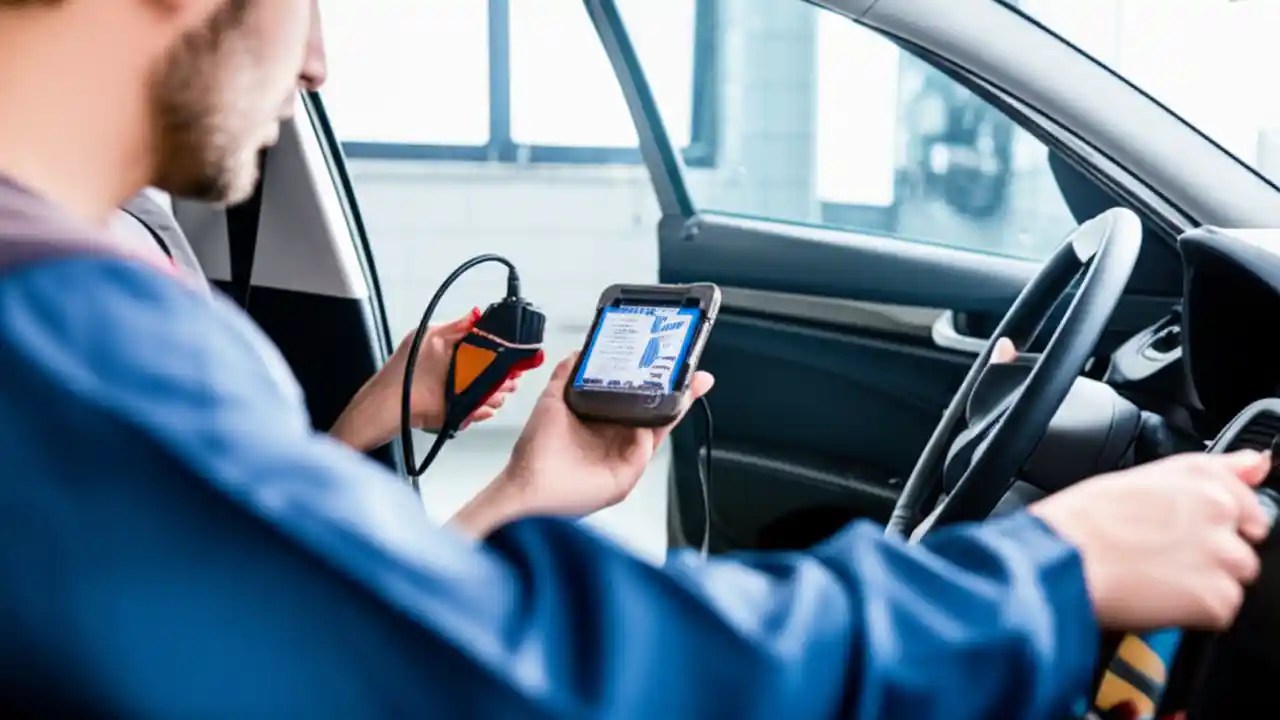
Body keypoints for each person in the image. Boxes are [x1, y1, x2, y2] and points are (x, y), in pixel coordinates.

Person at [0, 1, 1269, 718]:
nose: (318, 54)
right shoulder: (62, 336)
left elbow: (330, 642)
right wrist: (1049, 572)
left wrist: (516, 497)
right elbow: (517, 677)